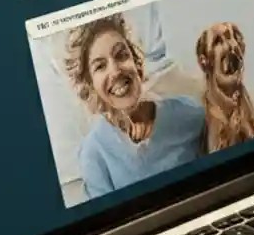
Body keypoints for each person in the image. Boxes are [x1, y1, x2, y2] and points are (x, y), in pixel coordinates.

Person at [65, 13, 205, 200]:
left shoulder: (187, 114)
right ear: (90, 85)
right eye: (100, 66)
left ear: (137, 63)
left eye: (121, 55)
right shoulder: (94, 153)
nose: (115, 71)